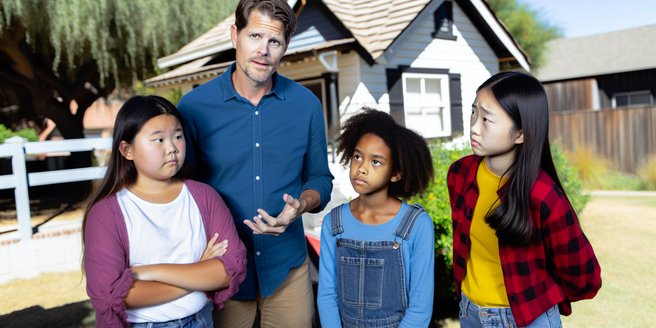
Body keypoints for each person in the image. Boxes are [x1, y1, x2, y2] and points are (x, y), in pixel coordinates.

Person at [176, 0, 334, 326]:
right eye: (255, 37)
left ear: (285, 46)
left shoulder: (306, 105)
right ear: (235, 35)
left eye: (274, 41)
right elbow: (180, 190)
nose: (263, 50)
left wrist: (300, 205)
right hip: (222, 271)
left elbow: (320, 178)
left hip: (287, 268)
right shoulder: (193, 107)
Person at [448, 72, 602, 328]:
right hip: (469, 313)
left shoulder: (542, 194)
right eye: (473, 113)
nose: (474, 126)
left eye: (487, 119)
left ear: (520, 134)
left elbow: (585, 276)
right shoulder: (459, 174)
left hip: (527, 320)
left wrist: (541, 298)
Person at [83, 95, 247, 328]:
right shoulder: (107, 213)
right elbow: (112, 296)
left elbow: (229, 271)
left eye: (177, 136)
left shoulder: (205, 197)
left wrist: (147, 272)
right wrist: (199, 273)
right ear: (127, 150)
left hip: (202, 321)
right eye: (158, 139)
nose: (172, 148)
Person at [317, 108, 435, 328]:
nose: (361, 168)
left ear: (396, 173)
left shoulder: (417, 225)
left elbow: (420, 308)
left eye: (376, 162)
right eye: (358, 157)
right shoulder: (333, 223)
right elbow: (326, 295)